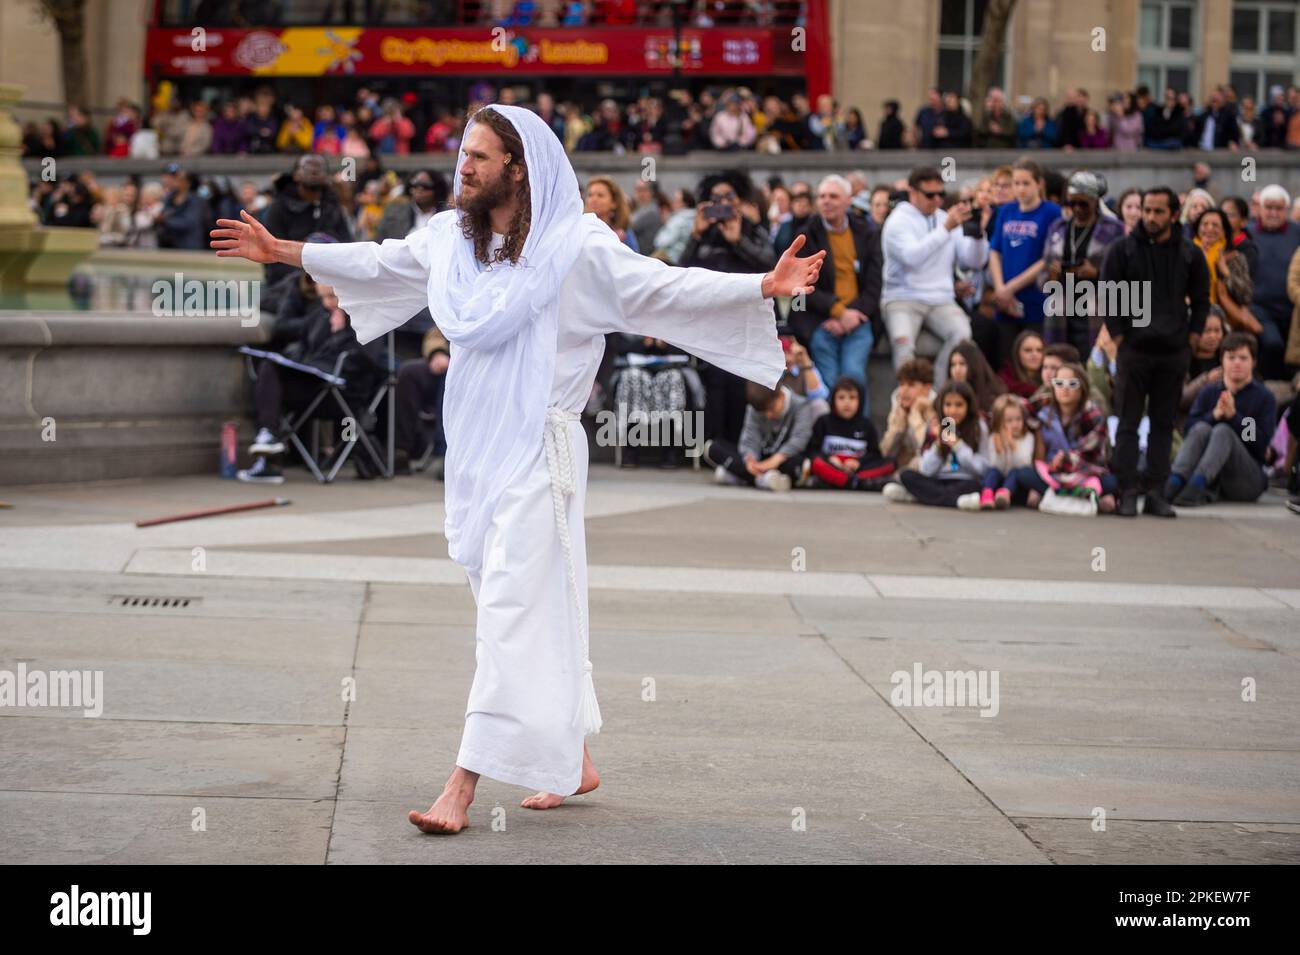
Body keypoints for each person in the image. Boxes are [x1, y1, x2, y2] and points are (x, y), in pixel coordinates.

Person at [210, 103, 823, 831]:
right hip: (475, 449)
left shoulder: (576, 250)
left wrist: (760, 286)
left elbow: (661, 287)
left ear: (518, 167)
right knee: (530, 607)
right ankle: (577, 756)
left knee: (508, 608)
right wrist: (282, 250)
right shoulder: (452, 243)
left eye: (477, 157)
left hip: (544, 450)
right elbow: (381, 261)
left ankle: (461, 784)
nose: (461, 168)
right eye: (461, 154)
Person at [1101, 186, 1211, 517]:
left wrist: (1191, 339)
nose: (1149, 217)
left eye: (1158, 211)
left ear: (1174, 215)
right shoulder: (1122, 250)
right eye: (1146, 210)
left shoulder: (1190, 254)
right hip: (1134, 350)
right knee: (1128, 422)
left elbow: (1202, 300)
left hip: (1173, 352)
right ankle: (1127, 490)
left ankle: (1155, 491)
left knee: (1163, 423)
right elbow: (1110, 297)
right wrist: (1120, 340)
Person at [880, 166, 987, 388]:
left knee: (963, 339)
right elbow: (912, 257)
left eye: (941, 194)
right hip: (902, 298)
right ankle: (907, 401)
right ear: (912, 193)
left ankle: (937, 393)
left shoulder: (945, 219)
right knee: (904, 345)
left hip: (941, 299)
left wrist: (977, 234)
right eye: (930, 195)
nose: (937, 200)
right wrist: (946, 229)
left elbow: (973, 261)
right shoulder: (897, 221)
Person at [790, 175, 881, 408]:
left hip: (858, 319)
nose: (826, 202)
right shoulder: (806, 234)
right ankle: (829, 439)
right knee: (829, 383)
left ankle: (861, 439)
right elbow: (802, 287)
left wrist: (852, 315)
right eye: (821, 197)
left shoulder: (866, 232)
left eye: (833, 196)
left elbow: (874, 284)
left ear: (848, 201)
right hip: (821, 320)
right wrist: (839, 312)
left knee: (854, 378)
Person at [1166, 332, 1276, 505]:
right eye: (1231, 357)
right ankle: (1175, 481)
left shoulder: (1264, 397)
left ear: (1253, 362)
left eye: (1243, 358)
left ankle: (1196, 485)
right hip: (1214, 475)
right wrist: (1214, 415)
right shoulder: (1209, 391)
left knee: (1223, 431)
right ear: (1222, 361)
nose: (1237, 363)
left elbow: (1260, 445)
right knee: (1202, 427)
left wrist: (1234, 417)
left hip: (1246, 478)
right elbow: (1189, 432)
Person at [1004, 361, 1118, 514]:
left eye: (1072, 383)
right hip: (1051, 472)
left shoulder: (1093, 412)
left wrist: (1066, 459)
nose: (1064, 388)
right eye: (1059, 383)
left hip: (1084, 470)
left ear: (1082, 387)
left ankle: (1052, 494)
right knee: (1022, 474)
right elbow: (1014, 408)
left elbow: (1092, 450)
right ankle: (1086, 496)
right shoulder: (1044, 404)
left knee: (1111, 482)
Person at [1040, 171, 1125, 355]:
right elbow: (1042, 275)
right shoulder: (1058, 228)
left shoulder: (1114, 229)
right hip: (1060, 311)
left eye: (1083, 203)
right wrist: (1051, 277)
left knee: (1095, 367)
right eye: (1072, 203)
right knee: (1061, 364)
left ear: (1095, 201)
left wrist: (1096, 274)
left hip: (1097, 310)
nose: (1077, 208)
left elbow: (1126, 276)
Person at [989, 158, 1061, 366]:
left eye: (1026, 183)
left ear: (1039, 184)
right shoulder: (1006, 211)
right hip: (1006, 302)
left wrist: (1011, 287)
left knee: (1035, 360)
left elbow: (1047, 259)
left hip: (1035, 298)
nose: (1020, 189)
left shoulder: (1051, 212)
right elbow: (994, 250)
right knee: (1007, 360)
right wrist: (1000, 288)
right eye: (1016, 183)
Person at [885, 380, 990, 508]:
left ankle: (920, 496)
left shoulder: (978, 427)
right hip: (938, 480)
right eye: (948, 405)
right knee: (906, 475)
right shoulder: (936, 425)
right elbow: (926, 470)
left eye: (959, 405)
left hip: (964, 480)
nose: (953, 410)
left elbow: (982, 469)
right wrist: (939, 445)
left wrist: (957, 445)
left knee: (975, 486)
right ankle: (957, 501)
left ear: (968, 406)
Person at [703, 380, 819, 493]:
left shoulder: (801, 405)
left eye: (771, 409)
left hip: (783, 459)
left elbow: (800, 439)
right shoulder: (754, 408)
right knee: (713, 447)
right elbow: (749, 438)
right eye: (763, 413)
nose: (768, 415)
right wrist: (750, 460)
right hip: (761, 459)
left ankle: (741, 476)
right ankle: (763, 480)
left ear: (781, 396)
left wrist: (776, 459)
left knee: (802, 464)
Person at [261, 155, 353, 284]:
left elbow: (347, 245)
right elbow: (273, 255)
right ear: (296, 175)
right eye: (308, 167)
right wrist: (307, 279)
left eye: (319, 168)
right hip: (289, 285)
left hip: (331, 283)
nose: (314, 171)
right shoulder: (278, 208)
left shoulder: (332, 206)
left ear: (326, 176)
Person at [803, 377, 894, 491]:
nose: (847, 402)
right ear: (833, 400)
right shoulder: (824, 422)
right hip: (831, 466)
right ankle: (856, 483)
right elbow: (812, 451)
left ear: (860, 400)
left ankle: (844, 481)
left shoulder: (867, 425)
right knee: (815, 463)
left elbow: (875, 454)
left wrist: (858, 463)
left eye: (852, 398)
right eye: (841, 397)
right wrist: (830, 458)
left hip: (857, 469)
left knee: (890, 463)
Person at [1247, 185, 1300, 379]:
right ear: (1259, 208)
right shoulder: (1249, 233)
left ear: (1286, 210)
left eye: (1278, 208)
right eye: (1268, 207)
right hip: (1259, 307)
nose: (1273, 213)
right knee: (1272, 344)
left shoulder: (1297, 232)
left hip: (1291, 307)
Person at [977, 393, 1038, 509]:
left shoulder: (1028, 437)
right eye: (1009, 421)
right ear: (1000, 423)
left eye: (1018, 419)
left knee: (1014, 472)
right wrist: (1000, 450)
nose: (1015, 424)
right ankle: (987, 495)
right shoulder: (994, 438)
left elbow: (1024, 463)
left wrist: (1013, 447)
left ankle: (1004, 495)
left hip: (1015, 483)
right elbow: (995, 464)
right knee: (992, 471)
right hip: (999, 478)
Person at [881, 356, 935, 472]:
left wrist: (916, 418)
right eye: (901, 384)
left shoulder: (942, 411)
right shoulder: (898, 408)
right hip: (903, 471)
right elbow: (885, 454)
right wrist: (898, 427)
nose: (903, 390)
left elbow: (933, 454)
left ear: (927, 388)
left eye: (911, 385)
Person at [374, 169, 450, 241]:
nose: (419, 189)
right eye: (415, 185)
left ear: (437, 189)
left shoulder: (449, 218)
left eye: (426, 186)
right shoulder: (392, 214)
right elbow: (379, 242)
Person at [947, 338, 1005, 416]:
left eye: (962, 363)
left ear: (975, 365)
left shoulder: (995, 400)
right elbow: (947, 426)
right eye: (953, 365)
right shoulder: (946, 397)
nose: (957, 370)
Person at [998, 328, 1045, 398]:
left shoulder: (1050, 378)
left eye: (1039, 350)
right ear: (1017, 353)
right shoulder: (1004, 381)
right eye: (1028, 350)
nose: (1035, 354)